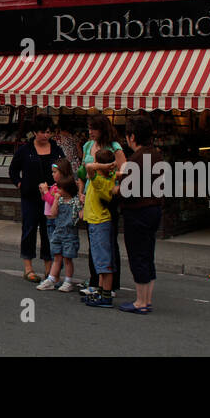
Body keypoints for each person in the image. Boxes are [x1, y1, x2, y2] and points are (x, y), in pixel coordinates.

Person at [119, 115, 163, 314]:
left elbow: (127, 192)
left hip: (138, 211)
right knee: (148, 253)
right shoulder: (156, 154)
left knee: (137, 255)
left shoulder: (136, 159)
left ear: (132, 137)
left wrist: (113, 190)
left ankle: (140, 302)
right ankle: (147, 299)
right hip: (154, 209)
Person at [8, 118, 59, 282]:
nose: (46, 135)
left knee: (48, 231)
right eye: (43, 132)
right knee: (29, 229)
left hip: (50, 198)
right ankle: (28, 268)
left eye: (49, 132)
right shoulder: (25, 150)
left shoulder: (56, 149)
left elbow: (63, 167)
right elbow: (13, 169)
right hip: (30, 196)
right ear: (35, 132)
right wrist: (19, 183)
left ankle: (48, 268)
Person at [80, 113, 124, 297]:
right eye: (89, 128)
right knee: (94, 242)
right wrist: (81, 192)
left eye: (94, 128)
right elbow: (83, 171)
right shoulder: (88, 146)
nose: (90, 132)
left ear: (102, 129)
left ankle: (110, 284)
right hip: (90, 195)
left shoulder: (114, 147)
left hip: (105, 197)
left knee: (108, 241)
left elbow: (124, 169)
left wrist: (110, 182)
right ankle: (95, 280)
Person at [81, 148, 119, 308]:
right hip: (97, 221)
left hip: (99, 222)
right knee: (100, 261)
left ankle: (106, 296)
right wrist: (111, 166)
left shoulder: (99, 180)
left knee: (104, 261)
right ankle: (101, 290)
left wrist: (102, 166)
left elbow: (88, 168)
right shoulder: (110, 177)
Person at [38, 163, 81, 292]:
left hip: (69, 232)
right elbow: (53, 213)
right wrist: (54, 199)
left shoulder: (75, 201)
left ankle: (68, 281)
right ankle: (51, 279)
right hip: (59, 231)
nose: (58, 191)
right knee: (56, 256)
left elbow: (80, 216)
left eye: (60, 189)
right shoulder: (60, 200)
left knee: (67, 258)